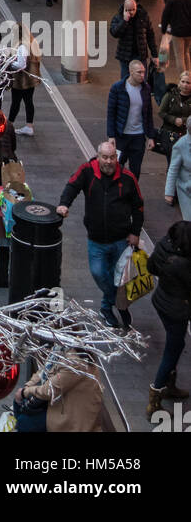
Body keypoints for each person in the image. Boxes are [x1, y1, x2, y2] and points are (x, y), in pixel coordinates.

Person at [57, 140, 144, 330]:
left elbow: (138, 207)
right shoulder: (87, 171)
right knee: (99, 273)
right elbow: (72, 186)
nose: (109, 161)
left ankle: (106, 308)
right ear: (98, 157)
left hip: (121, 240)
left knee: (118, 277)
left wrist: (135, 233)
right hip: (96, 240)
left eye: (112, 157)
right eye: (105, 157)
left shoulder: (128, 178)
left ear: (117, 158)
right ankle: (118, 303)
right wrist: (64, 204)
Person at [146, 221, 191, 420]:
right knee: (172, 350)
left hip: (161, 301)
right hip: (176, 310)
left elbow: (151, 267)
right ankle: (155, 399)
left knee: (177, 343)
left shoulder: (164, 246)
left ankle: (169, 385)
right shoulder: (183, 264)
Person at [14, 351, 104, 433]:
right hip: (58, 404)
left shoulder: (75, 362)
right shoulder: (62, 349)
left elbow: (49, 390)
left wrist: (25, 392)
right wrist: (28, 386)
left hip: (70, 416)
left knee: (25, 422)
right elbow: (43, 371)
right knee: (19, 405)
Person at [106, 58, 155, 180]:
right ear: (131, 72)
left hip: (138, 137)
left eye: (144, 72)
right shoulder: (118, 88)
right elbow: (111, 113)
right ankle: (115, 195)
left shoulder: (146, 89)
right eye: (139, 72)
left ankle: (131, 196)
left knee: (135, 171)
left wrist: (151, 136)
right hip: (121, 136)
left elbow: (148, 113)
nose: (142, 75)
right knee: (115, 168)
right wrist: (111, 136)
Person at [109, 0, 158, 82]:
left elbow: (150, 35)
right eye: (128, 10)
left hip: (140, 53)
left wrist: (155, 55)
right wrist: (124, 21)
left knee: (142, 78)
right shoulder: (118, 17)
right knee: (126, 79)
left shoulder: (143, 16)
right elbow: (115, 33)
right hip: (125, 55)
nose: (131, 12)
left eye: (133, 10)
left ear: (136, 7)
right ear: (124, 9)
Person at [7, 29, 41, 137]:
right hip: (30, 79)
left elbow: (21, 65)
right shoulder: (32, 43)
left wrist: (9, 62)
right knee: (28, 101)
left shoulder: (22, 47)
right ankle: (29, 126)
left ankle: (9, 126)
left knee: (15, 103)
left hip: (21, 81)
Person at [159, 72, 191, 167]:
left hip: (187, 135)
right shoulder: (170, 95)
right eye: (183, 81)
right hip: (171, 135)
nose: (185, 85)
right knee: (172, 163)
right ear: (179, 82)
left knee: (185, 164)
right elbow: (161, 112)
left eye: (188, 82)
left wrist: (184, 121)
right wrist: (174, 120)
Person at [162, 0, 191, 74]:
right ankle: (189, 78)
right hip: (189, 31)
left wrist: (164, 28)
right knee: (186, 52)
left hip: (177, 31)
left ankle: (182, 79)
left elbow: (165, 14)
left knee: (179, 56)